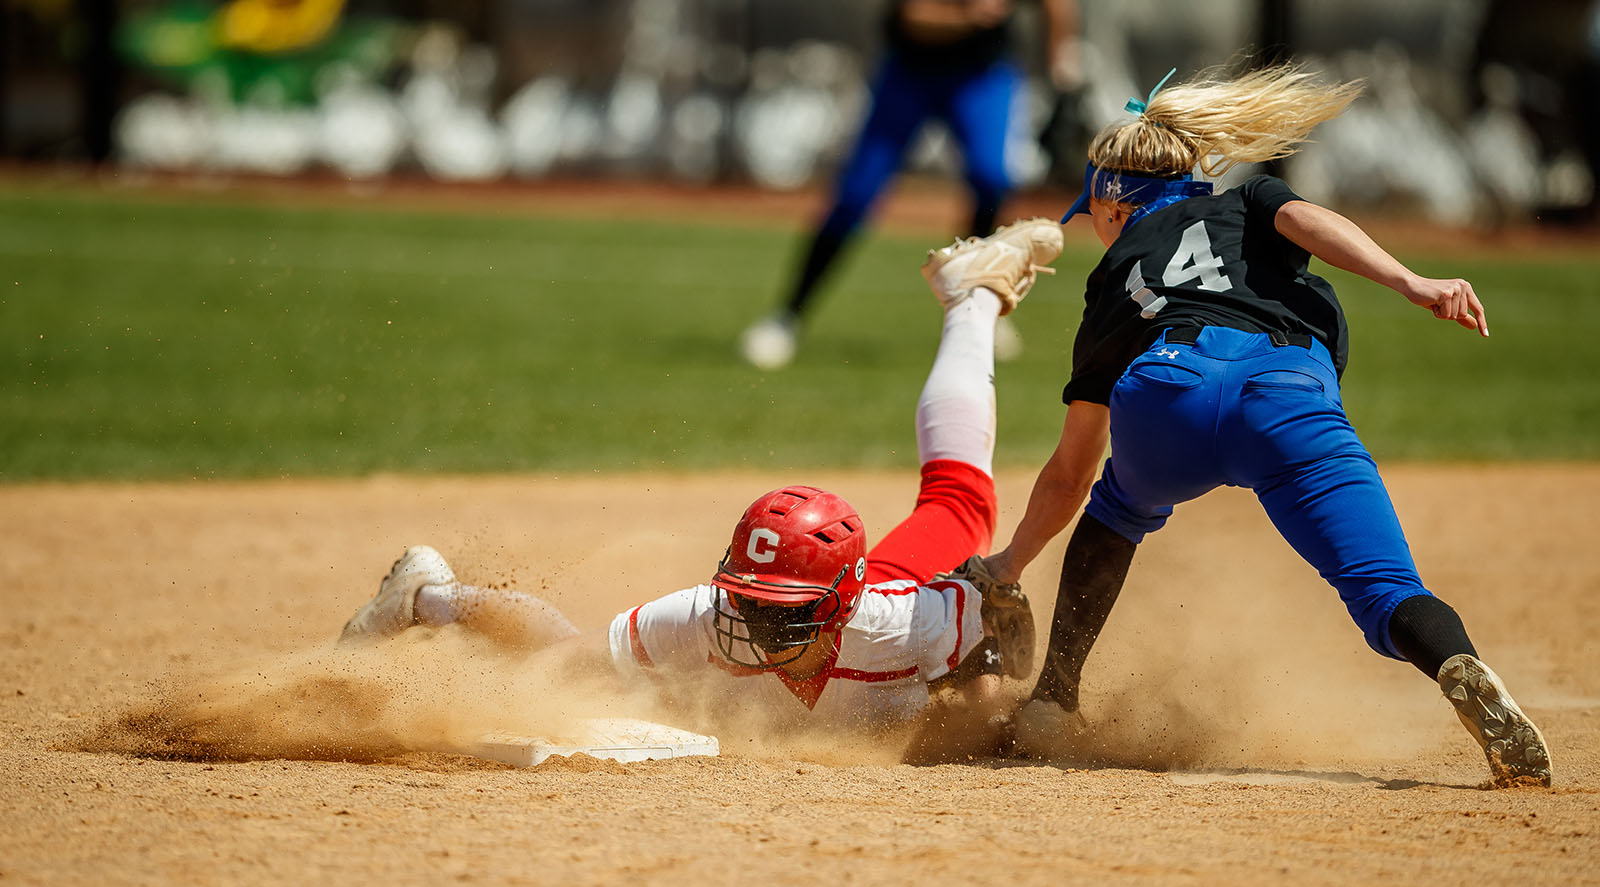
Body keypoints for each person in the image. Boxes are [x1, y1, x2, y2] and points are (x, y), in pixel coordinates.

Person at [978, 64, 1553, 787]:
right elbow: (1306, 221)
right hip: (1287, 396)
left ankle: (1055, 700)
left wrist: (1009, 565)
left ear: (1114, 204)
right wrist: (1414, 283)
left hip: (1169, 391)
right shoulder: (1248, 199)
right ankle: (1455, 663)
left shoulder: (1115, 274)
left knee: (1118, 505)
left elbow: (1071, 468)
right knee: (1383, 587)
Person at [338, 218, 1064, 749]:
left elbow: (989, 658)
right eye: (752, 603)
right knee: (572, 658)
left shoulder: (916, 622)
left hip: (904, 593)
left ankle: (971, 299)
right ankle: (425, 595)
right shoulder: (701, 620)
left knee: (958, 499)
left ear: (843, 605)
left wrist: (975, 712)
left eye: (783, 614)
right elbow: (560, 668)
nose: (756, 627)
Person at [739, 0, 1081, 370]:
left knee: (991, 178)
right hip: (910, 72)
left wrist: (1062, 74)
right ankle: (788, 316)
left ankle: (978, 307)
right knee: (855, 195)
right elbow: (916, 15)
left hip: (982, 72)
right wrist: (968, 15)